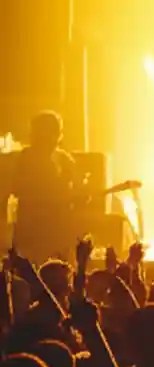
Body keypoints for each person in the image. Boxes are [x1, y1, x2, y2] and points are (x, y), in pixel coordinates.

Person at [7, 111, 80, 262]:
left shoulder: (64, 160)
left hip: (56, 230)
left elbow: (75, 189)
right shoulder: (24, 159)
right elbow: (16, 188)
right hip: (31, 230)